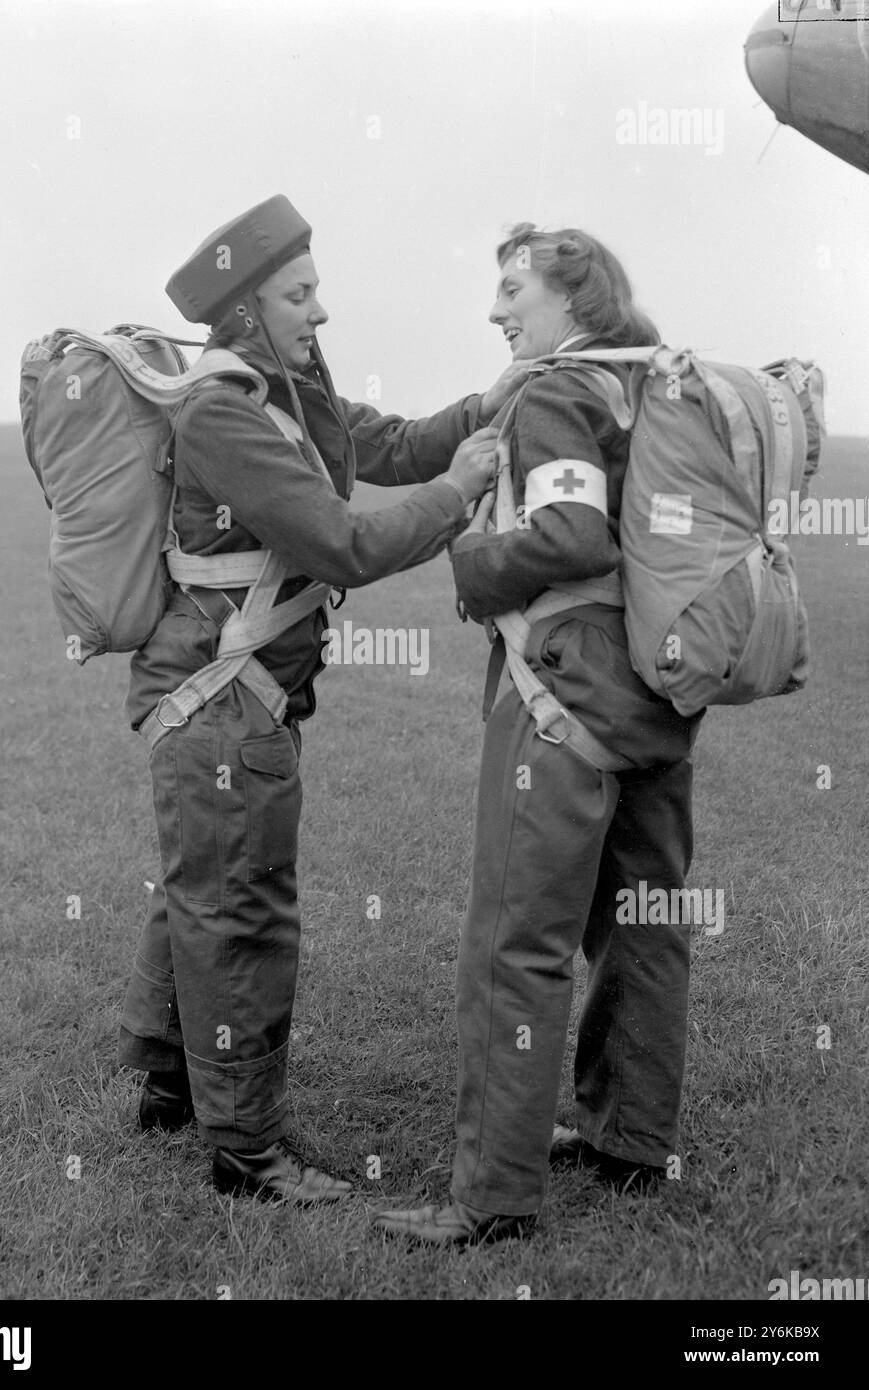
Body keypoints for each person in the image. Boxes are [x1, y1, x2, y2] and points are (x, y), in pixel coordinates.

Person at [117, 195, 528, 1205]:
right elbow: (341, 543)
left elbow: (386, 444)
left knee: (201, 889)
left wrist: (488, 405)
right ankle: (245, 1154)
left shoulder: (281, 391)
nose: (322, 311)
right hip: (222, 707)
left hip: (228, 701)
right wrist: (460, 496)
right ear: (246, 312)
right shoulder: (222, 410)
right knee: (242, 914)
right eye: (300, 294)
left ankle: (163, 1084)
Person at [375, 224, 704, 1246]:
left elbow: (569, 535)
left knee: (515, 946)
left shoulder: (557, 391)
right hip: (660, 691)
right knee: (645, 924)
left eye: (512, 288)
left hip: (561, 696)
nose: (495, 310)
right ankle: (630, 1141)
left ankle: (490, 1197)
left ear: (575, 298)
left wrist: (470, 570)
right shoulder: (652, 386)